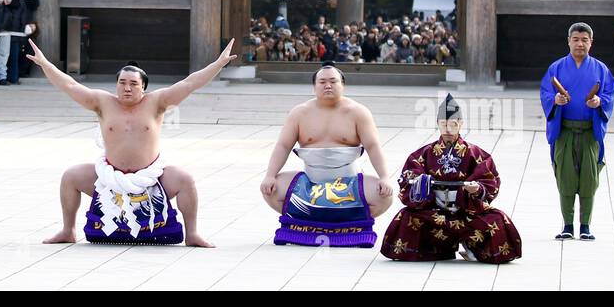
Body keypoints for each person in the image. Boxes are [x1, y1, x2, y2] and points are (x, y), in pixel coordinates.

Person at [28, 37, 236, 247]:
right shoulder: (102, 102)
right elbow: (69, 85)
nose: (127, 88)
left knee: (185, 180)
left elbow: (190, 83)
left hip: (151, 178)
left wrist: (218, 64)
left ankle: (192, 233)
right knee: (71, 176)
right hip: (110, 177)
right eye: (122, 83)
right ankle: (68, 230)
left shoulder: (157, 102)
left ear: (143, 87)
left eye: (133, 84)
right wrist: (45, 64)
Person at [260, 63, 395, 247]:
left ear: (343, 85)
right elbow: (283, 146)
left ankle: (343, 223)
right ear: (314, 86)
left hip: (349, 184)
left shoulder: (358, 112)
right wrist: (269, 175)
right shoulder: (299, 113)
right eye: (322, 81)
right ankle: (313, 222)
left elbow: (373, 146)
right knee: (271, 189)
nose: (328, 85)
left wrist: (385, 177)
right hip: (309, 183)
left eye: (333, 81)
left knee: (384, 196)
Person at [379, 94, 522, 263]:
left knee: (497, 220)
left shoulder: (475, 153)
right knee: (406, 217)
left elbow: (490, 179)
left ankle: (473, 248)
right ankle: (437, 249)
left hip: (465, 210)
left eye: (453, 124)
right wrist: (421, 183)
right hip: (434, 209)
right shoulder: (424, 153)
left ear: (461, 124)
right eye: (443, 124)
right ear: (437, 124)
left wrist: (478, 188)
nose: (448, 129)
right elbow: (408, 177)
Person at [540, 22, 614, 240]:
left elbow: (609, 95)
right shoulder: (556, 68)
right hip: (565, 131)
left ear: (591, 42)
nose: (580, 44)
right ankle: (567, 225)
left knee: (588, 179)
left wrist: (600, 102)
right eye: (576, 39)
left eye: (584, 40)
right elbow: (546, 92)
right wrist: (554, 99)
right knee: (565, 178)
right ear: (568, 41)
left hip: (589, 132)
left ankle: (585, 226)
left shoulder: (601, 69)